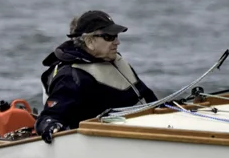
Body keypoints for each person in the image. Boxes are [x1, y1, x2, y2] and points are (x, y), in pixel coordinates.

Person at [34, 10, 159, 142]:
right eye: (109, 37)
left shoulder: (117, 62)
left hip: (138, 130)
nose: (117, 42)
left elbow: (148, 98)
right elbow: (49, 117)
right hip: (103, 142)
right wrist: (50, 125)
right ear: (89, 41)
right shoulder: (71, 76)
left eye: (116, 36)